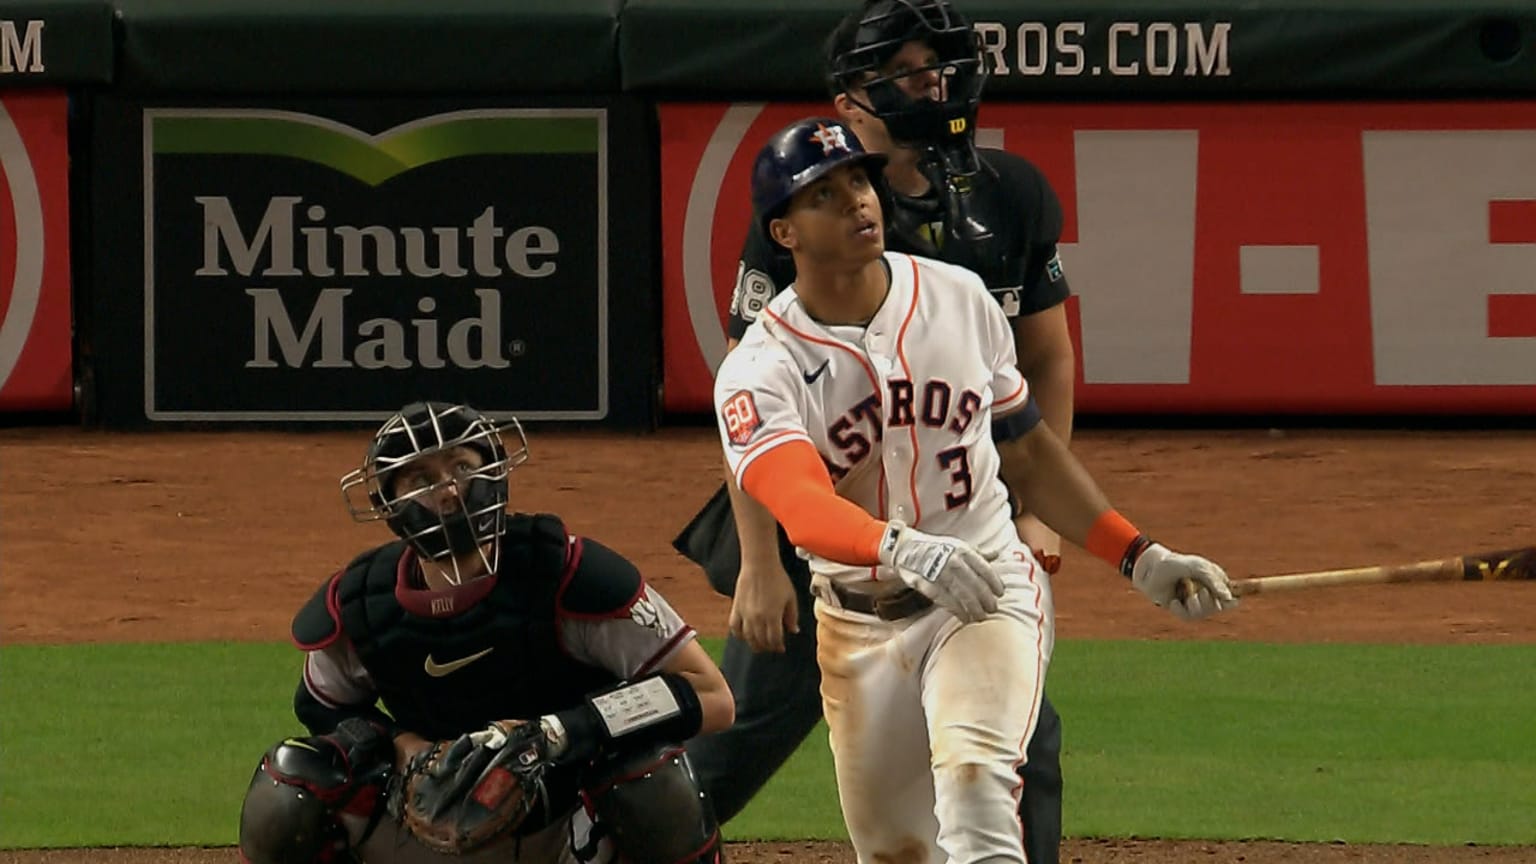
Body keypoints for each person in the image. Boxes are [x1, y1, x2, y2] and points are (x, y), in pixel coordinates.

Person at [708, 116, 1236, 863]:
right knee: (899, 851)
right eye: (823, 195)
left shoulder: (957, 297)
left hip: (987, 591)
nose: (856, 201)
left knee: (976, 783)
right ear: (783, 233)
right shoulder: (760, 369)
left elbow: (1026, 454)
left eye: (859, 180)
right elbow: (797, 502)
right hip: (856, 628)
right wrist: (900, 548)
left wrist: (1137, 555)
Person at [676, 1, 1076, 859]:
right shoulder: (803, 201)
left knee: (1016, 744)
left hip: (967, 514)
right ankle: (622, 841)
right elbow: (748, 398)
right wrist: (757, 559)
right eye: (905, 70)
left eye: (935, 66)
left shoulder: (1012, 194)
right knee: (741, 731)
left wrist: (1039, 511)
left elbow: (1046, 365)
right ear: (852, 98)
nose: (930, 84)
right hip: (820, 510)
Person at [237, 401, 734, 864]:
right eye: (420, 480)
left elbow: (711, 695)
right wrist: (400, 745)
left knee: (652, 780)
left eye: (462, 467)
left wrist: (561, 731)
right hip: (429, 828)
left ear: (495, 472)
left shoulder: (566, 572)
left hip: (566, 827)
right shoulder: (363, 604)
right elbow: (319, 705)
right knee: (289, 784)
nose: (449, 491)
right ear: (389, 507)